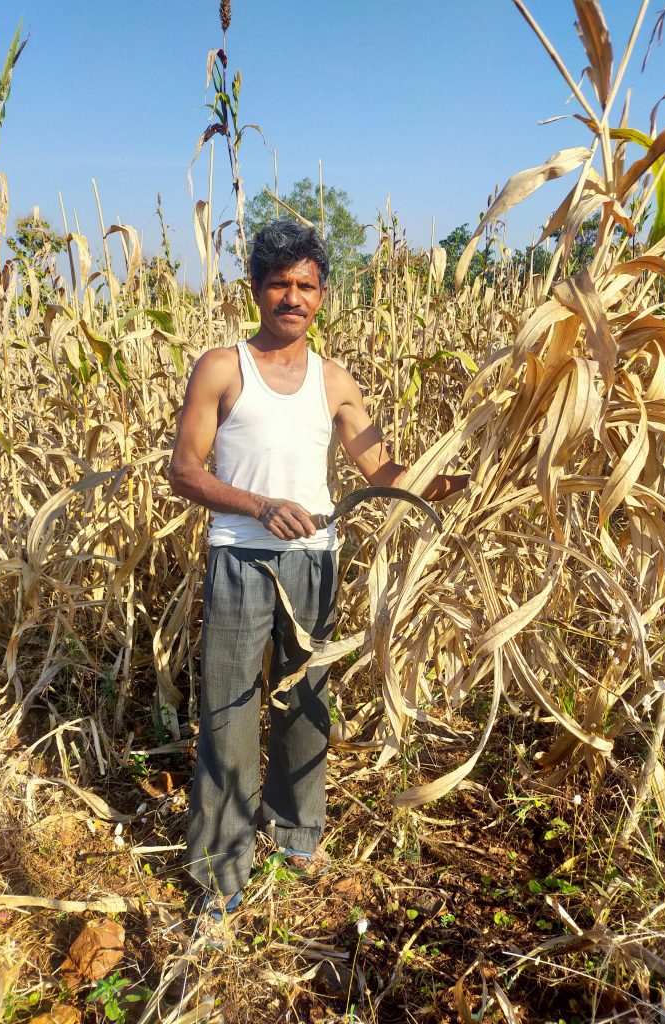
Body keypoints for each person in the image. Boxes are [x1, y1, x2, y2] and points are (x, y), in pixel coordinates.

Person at [169, 220, 467, 922]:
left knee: (307, 703)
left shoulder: (335, 383)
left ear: (323, 295)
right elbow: (183, 470)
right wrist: (258, 505)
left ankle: (298, 835)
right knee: (229, 709)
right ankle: (219, 866)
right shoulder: (221, 367)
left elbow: (383, 470)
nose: (292, 297)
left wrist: (451, 478)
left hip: (315, 562)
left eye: (306, 285)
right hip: (239, 556)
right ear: (256, 290)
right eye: (279, 283)